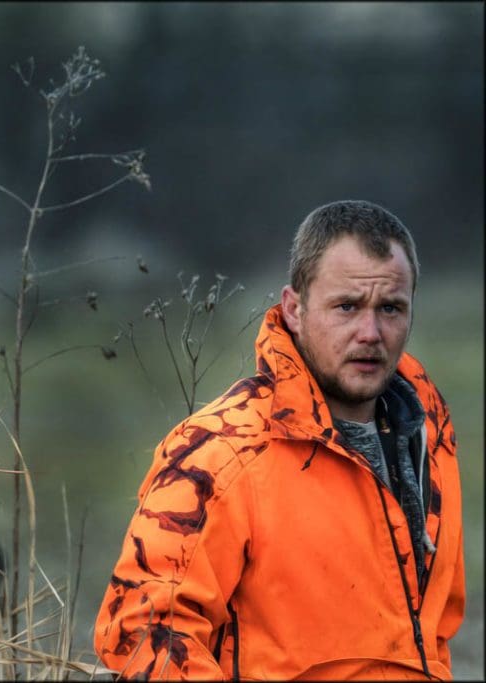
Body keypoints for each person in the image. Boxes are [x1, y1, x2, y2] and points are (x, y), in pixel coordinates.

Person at [94, 200, 464, 680]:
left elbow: (436, 631)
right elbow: (145, 633)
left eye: (390, 308)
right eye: (347, 306)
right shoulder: (221, 451)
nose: (370, 333)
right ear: (294, 309)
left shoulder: (429, 439)